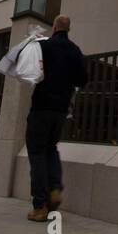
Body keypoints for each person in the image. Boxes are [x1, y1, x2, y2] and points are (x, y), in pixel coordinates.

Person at [25, 15, 87, 222]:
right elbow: (82, 80)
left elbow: (32, 71)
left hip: (41, 106)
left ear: (54, 27)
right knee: (51, 148)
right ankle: (54, 189)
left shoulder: (44, 46)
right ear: (69, 29)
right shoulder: (75, 50)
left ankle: (40, 205)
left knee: (36, 152)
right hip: (61, 110)